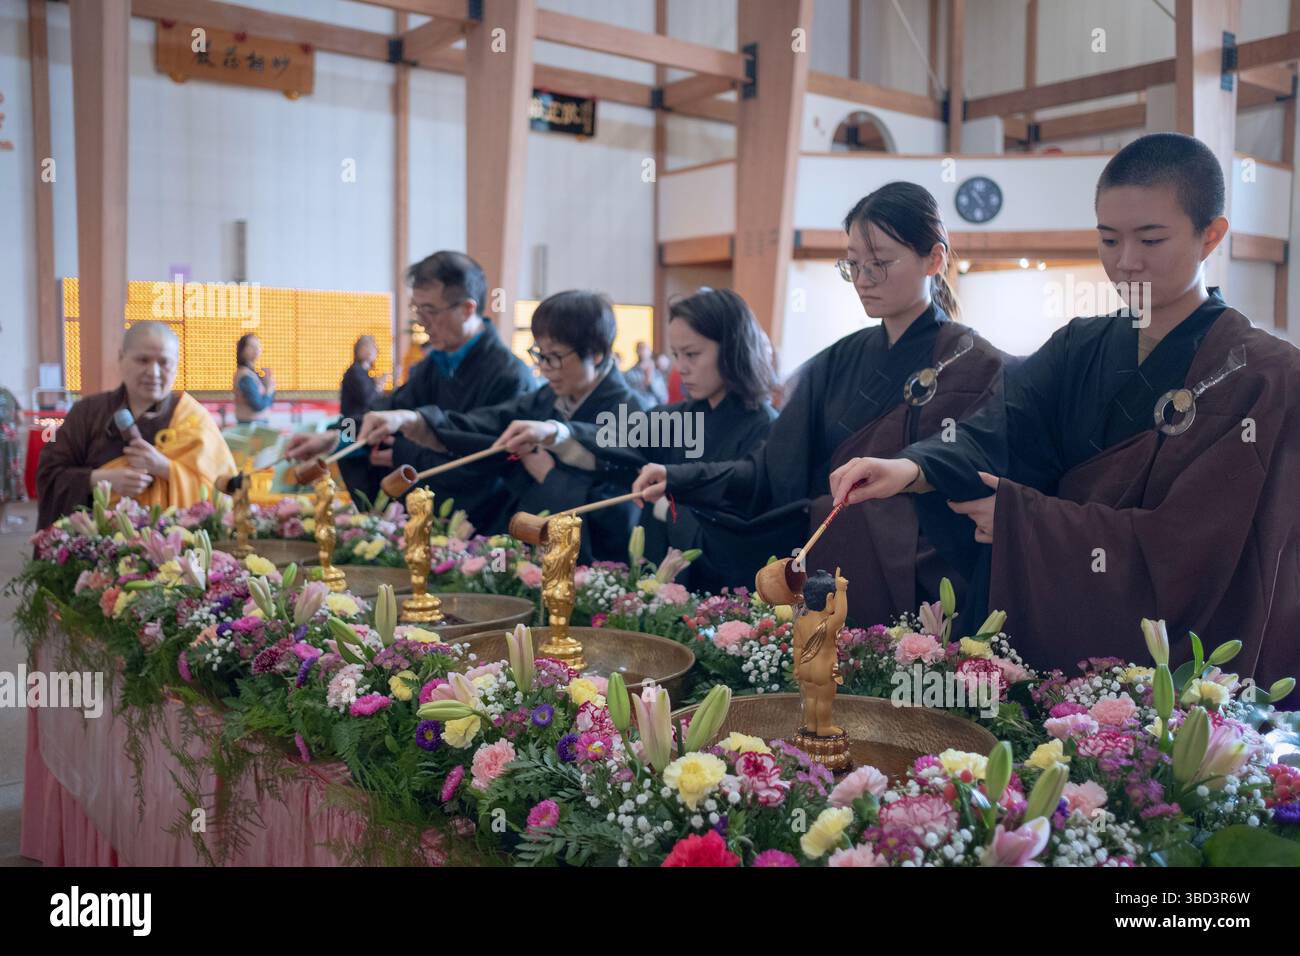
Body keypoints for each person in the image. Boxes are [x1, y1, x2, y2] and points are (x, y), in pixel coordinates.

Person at [829, 133, 1300, 697]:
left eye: (1151, 239)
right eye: (1108, 239)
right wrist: (911, 469)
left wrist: (1024, 524)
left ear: (1211, 236)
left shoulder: (1264, 375)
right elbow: (997, 427)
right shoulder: (1080, 345)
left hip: (1166, 661)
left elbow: (1201, 548)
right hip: (1058, 626)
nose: (1125, 261)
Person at [632, 182, 1007, 625]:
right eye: (853, 265)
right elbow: (768, 472)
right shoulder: (837, 360)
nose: (864, 280)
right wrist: (678, 477)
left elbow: (975, 485)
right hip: (829, 572)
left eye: (881, 264)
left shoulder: (973, 362)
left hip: (922, 589)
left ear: (935, 259)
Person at [518, 287, 777, 593]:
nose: (681, 368)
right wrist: (557, 432)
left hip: (721, 591)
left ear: (733, 349)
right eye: (676, 354)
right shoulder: (674, 416)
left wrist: (667, 510)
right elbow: (614, 439)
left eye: (692, 354)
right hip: (655, 579)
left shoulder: (766, 427)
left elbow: (747, 523)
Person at [375, 290, 649, 563]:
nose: (543, 367)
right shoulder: (548, 397)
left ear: (597, 354)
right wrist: (418, 421)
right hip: (531, 543)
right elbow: (488, 423)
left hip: (592, 561)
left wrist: (551, 476)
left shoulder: (630, 411)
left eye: (553, 357)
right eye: (539, 354)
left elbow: (621, 511)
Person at [285, 251, 535, 523]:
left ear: (466, 309)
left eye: (430, 310)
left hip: (478, 529)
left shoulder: (509, 376)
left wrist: (405, 453)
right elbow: (384, 413)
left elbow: (491, 460)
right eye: (416, 309)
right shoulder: (432, 366)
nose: (420, 320)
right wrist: (333, 437)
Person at [36, 321, 236, 528]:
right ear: (121, 358)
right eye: (143, 360)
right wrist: (102, 479)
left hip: (174, 550)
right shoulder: (87, 412)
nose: (154, 372)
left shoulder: (193, 420)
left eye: (164, 362)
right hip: (96, 548)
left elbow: (225, 489)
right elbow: (49, 475)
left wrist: (165, 468)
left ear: (176, 364)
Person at [340, 335, 389, 425]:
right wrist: (379, 385)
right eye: (366, 346)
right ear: (358, 349)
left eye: (372, 347)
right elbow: (368, 400)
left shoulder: (364, 373)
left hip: (361, 420)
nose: (369, 350)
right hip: (354, 422)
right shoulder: (355, 371)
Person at [233, 333, 275, 424]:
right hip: (250, 425)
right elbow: (258, 405)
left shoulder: (253, 374)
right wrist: (269, 389)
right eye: (252, 346)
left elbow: (268, 404)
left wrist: (266, 382)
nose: (256, 349)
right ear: (242, 350)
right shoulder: (245, 375)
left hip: (257, 423)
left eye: (258, 346)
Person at [625, 340, 669, 405]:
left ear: (650, 352)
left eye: (646, 349)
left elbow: (663, 398)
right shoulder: (630, 374)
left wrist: (651, 383)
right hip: (636, 411)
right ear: (637, 351)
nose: (643, 351)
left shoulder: (657, 375)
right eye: (641, 348)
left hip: (654, 411)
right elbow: (627, 395)